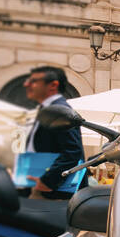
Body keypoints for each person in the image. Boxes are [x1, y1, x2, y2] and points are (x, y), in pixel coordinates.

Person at [22, 65, 83, 199]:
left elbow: (72, 151)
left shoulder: (60, 110)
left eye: (33, 81)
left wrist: (48, 182)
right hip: (38, 184)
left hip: (52, 190)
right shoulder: (47, 109)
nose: (26, 84)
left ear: (53, 85)